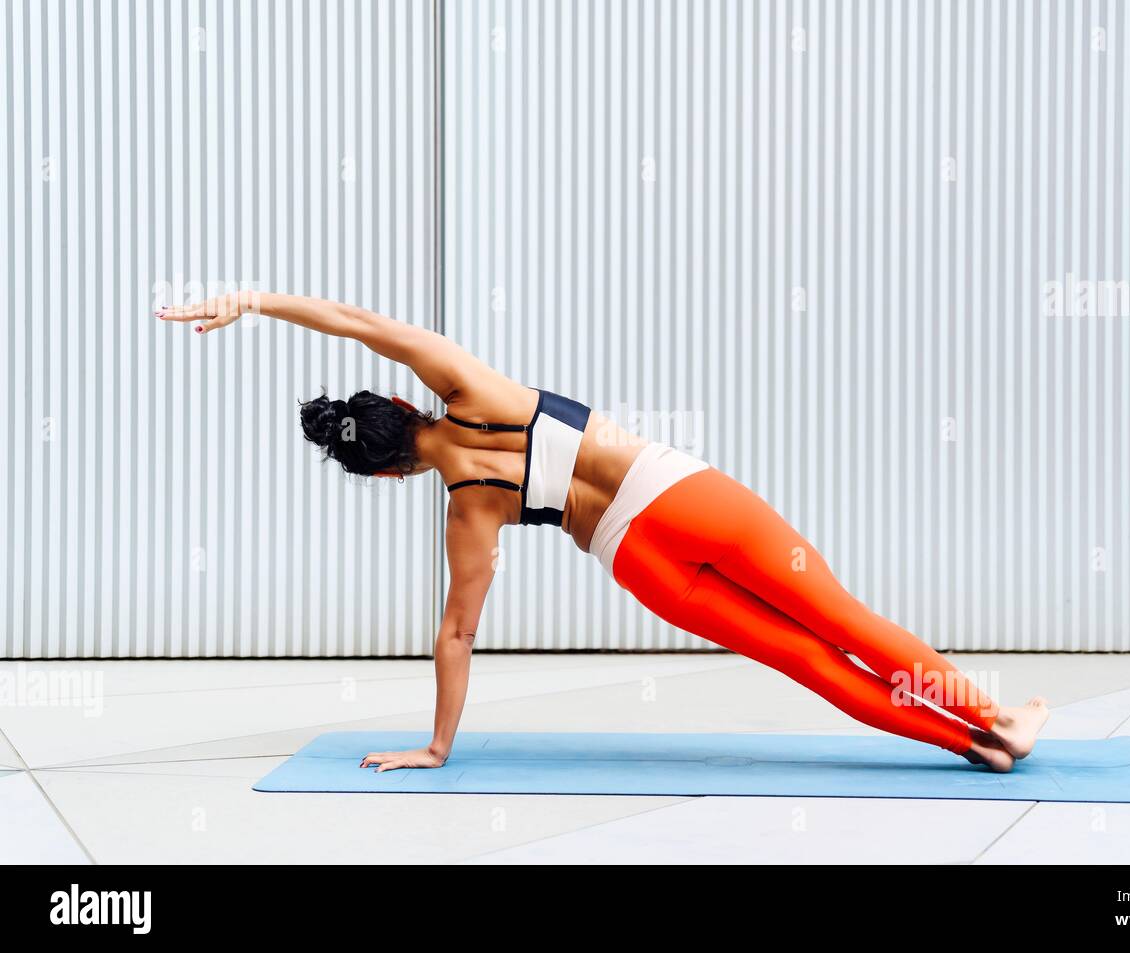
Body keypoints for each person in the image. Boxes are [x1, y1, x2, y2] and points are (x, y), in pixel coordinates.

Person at [159, 292, 1050, 774]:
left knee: (800, 658)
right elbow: (367, 326)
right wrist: (255, 301)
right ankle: (998, 715)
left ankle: (974, 746)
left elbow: (457, 635)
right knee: (843, 621)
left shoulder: (467, 510)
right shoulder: (475, 389)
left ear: (388, 473)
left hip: (639, 564)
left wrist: (437, 748)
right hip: (692, 503)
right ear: (398, 401)